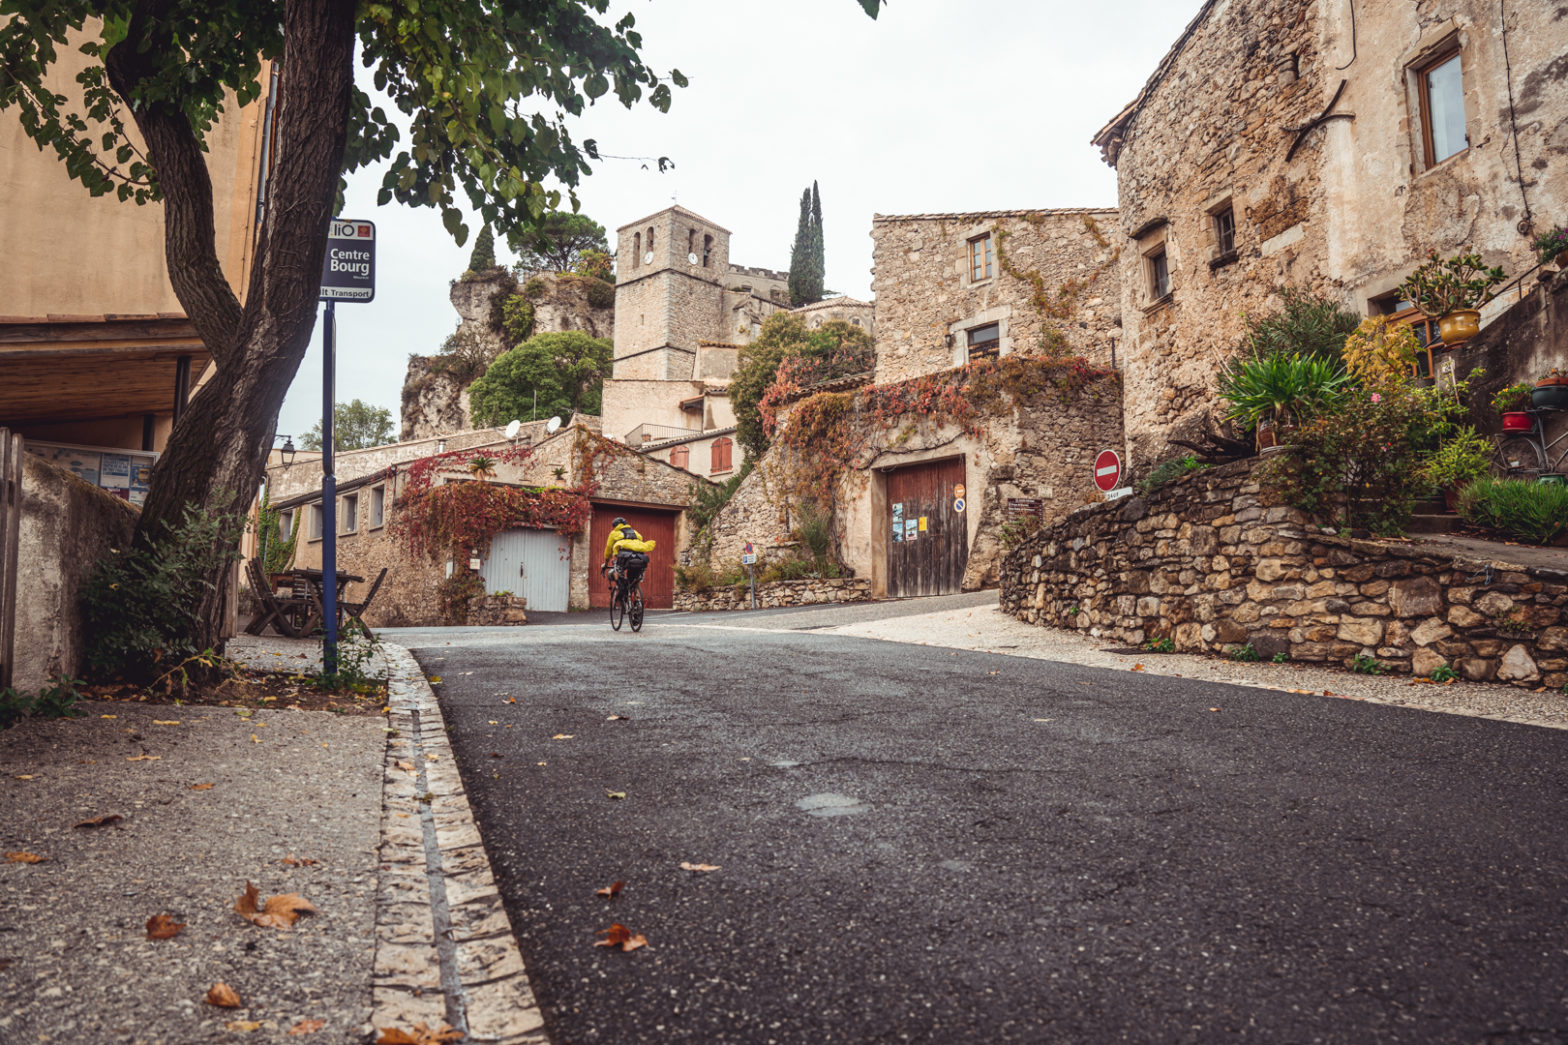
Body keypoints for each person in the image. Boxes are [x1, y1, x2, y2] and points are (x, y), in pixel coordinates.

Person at [601, 517, 657, 601]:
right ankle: (637, 599)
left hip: (624, 557)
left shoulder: (614, 533)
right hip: (640, 557)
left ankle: (621, 588)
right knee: (635, 578)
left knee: (616, 571)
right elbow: (639, 542)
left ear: (614, 526)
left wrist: (605, 563)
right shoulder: (635, 533)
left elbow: (609, 549)